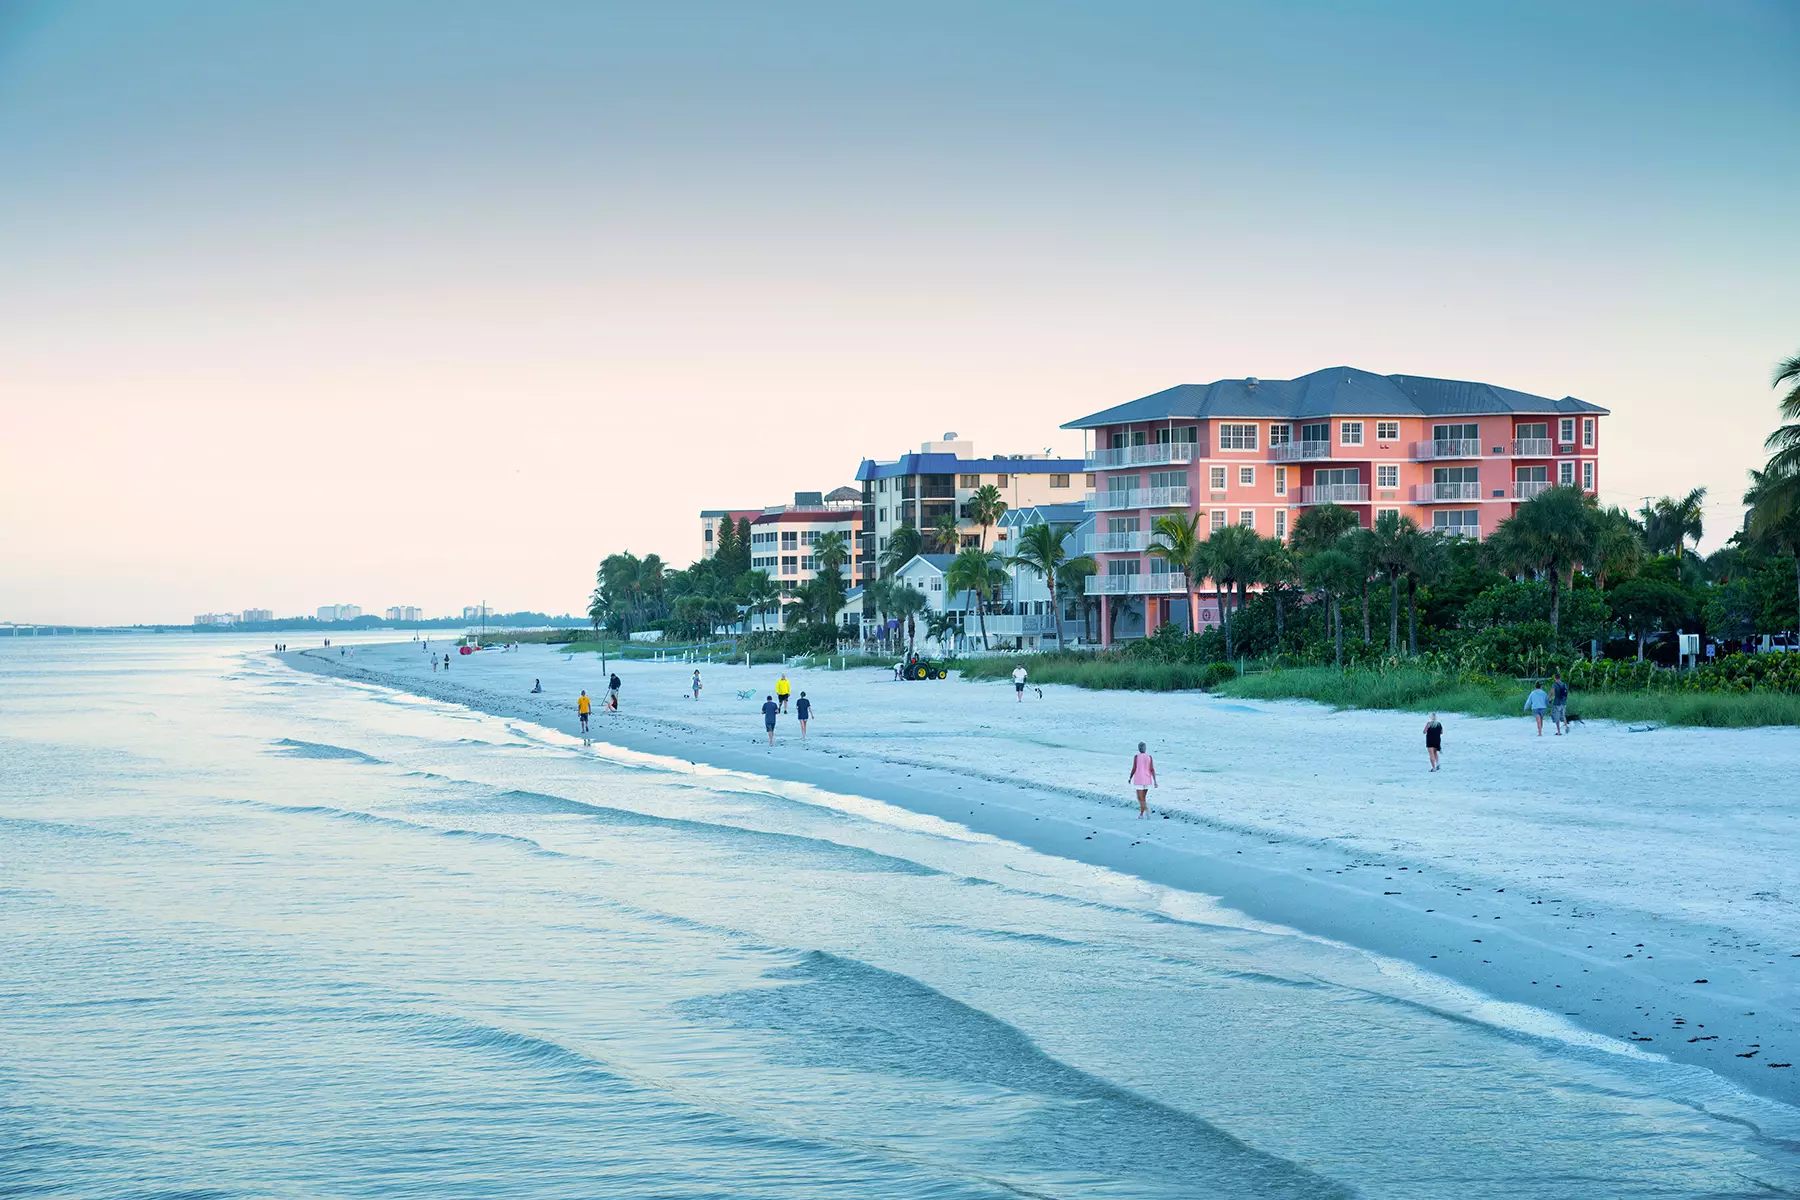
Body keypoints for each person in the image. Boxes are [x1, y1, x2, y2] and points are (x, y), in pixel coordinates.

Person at [1129, 741, 1157, 818]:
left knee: (1140, 798)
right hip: (1147, 779)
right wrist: (1155, 781)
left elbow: (1134, 768)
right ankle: (1141, 814)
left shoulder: (1136, 757)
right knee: (1143, 798)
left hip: (1139, 779)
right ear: (1145, 748)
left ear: (1139, 749)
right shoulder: (1149, 757)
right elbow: (1152, 769)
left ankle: (1147, 810)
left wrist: (1130, 777)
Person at [1550, 671, 1570, 736]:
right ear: (1560, 678)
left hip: (1557, 703)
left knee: (1556, 717)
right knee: (1563, 715)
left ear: (1555, 678)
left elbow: (1552, 692)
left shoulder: (1554, 684)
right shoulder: (1564, 684)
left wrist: (1550, 697)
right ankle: (1567, 726)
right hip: (1564, 702)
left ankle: (1558, 731)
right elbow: (1566, 693)